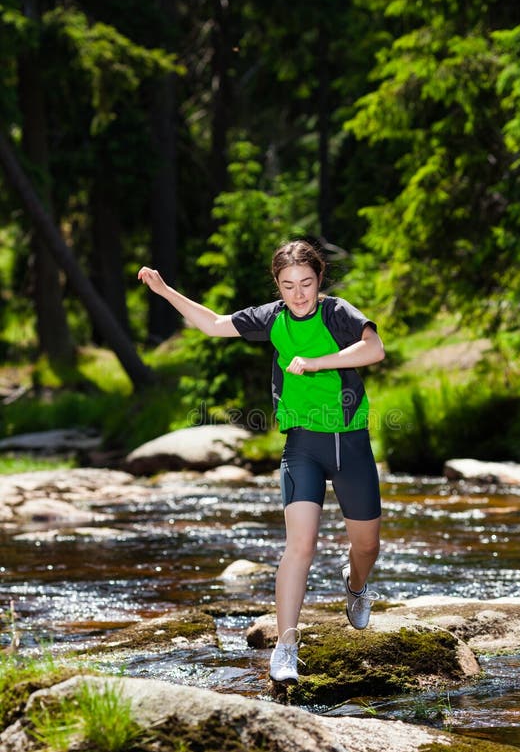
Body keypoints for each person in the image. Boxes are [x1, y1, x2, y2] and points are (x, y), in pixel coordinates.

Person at [138, 239, 385, 685]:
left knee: (366, 546)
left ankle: (355, 586)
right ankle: (286, 647)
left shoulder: (336, 313)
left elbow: (374, 349)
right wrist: (165, 292)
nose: (298, 294)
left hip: (350, 444)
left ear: (319, 280)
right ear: (277, 285)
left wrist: (314, 363)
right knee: (300, 546)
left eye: (306, 284)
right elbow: (213, 324)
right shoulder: (271, 317)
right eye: (288, 285)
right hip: (302, 448)